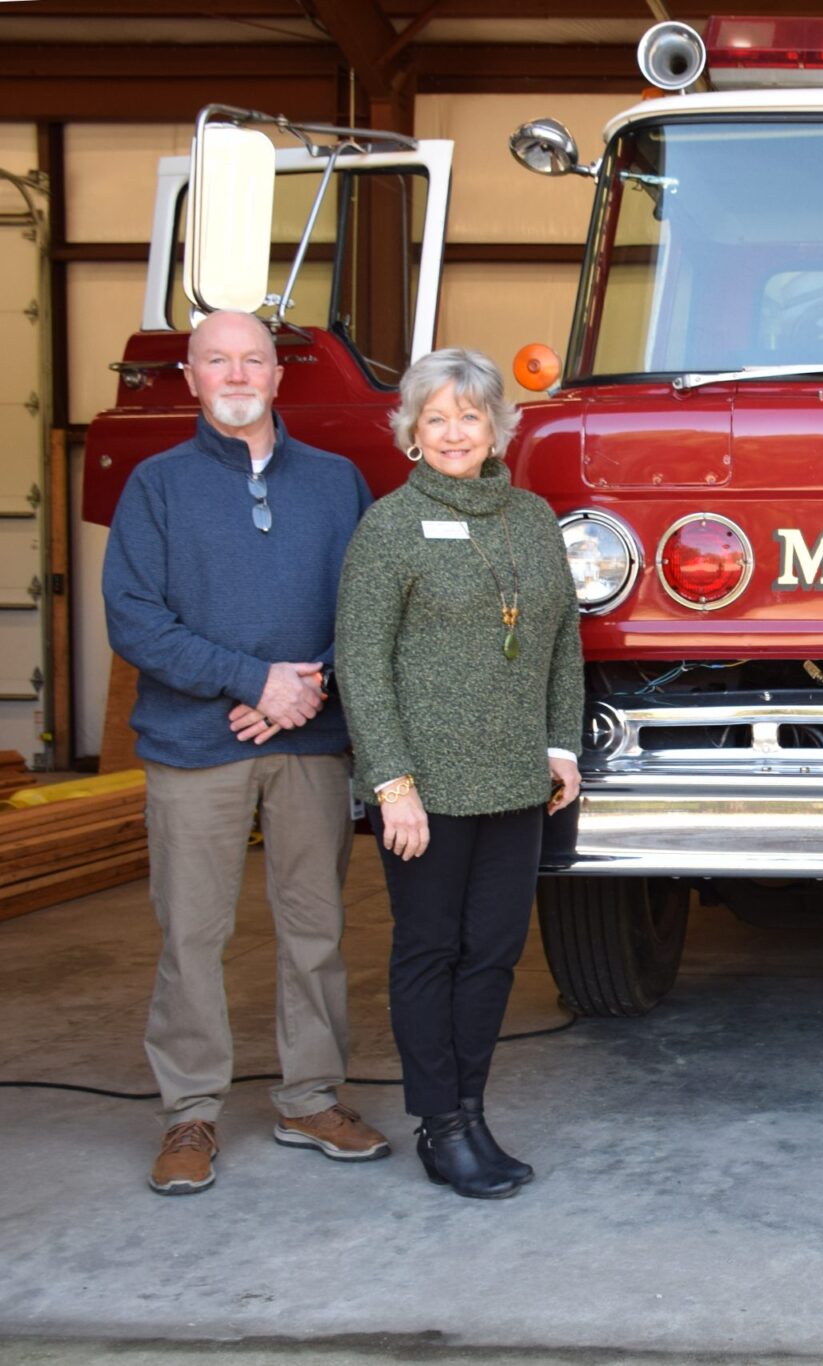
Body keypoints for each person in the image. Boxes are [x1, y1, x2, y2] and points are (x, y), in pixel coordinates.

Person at [103, 309, 388, 1196]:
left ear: (277, 375)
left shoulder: (337, 481)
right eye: (217, 361)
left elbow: (372, 607)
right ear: (191, 378)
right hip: (195, 745)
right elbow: (134, 619)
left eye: (252, 360)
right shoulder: (156, 485)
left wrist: (310, 685)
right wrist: (251, 680)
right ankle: (189, 1112)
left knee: (316, 929)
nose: (236, 375)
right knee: (192, 933)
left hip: (313, 739)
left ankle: (311, 1098)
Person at [335, 348, 583, 1200]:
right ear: (411, 430)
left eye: (469, 416)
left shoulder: (532, 519)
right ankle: (440, 1125)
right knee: (430, 951)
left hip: (515, 780)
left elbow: (562, 641)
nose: (453, 433)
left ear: (495, 428)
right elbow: (362, 664)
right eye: (435, 418)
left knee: (494, 954)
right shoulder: (389, 528)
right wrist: (391, 783)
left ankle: (469, 1113)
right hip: (427, 791)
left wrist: (561, 746)